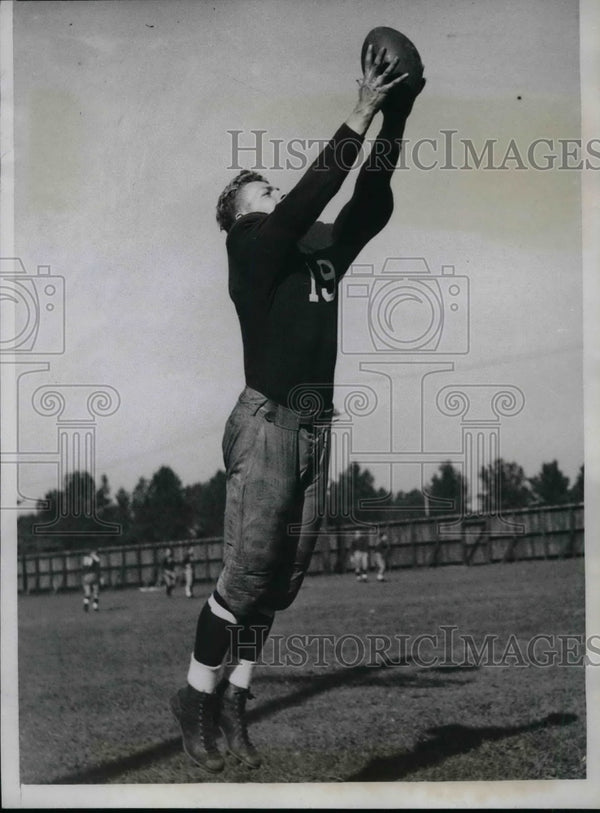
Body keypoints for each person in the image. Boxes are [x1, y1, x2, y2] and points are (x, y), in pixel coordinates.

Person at [171, 45, 426, 773]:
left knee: (277, 587)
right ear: (236, 214)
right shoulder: (252, 247)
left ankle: (237, 702)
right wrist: (359, 112)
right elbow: (307, 201)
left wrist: (394, 122)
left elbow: (365, 208)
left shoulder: (307, 250)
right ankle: (194, 697)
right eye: (259, 188)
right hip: (270, 421)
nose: (272, 192)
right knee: (244, 579)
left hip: (314, 426)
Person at [81, 548, 101, 612]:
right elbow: (98, 565)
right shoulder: (95, 558)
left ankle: (86, 605)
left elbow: (83, 567)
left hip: (85, 576)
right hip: (93, 575)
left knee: (87, 593)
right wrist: (100, 576)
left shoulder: (85, 558)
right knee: (96, 592)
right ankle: (95, 607)